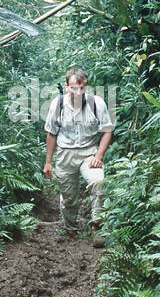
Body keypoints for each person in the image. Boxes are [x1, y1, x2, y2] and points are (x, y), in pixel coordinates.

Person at [43, 68, 114, 246]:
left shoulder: (96, 103)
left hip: (88, 152)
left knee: (99, 183)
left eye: (82, 88)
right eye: (74, 88)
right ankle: (70, 229)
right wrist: (48, 162)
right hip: (65, 153)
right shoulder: (57, 105)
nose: (78, 92)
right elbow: (51, 134)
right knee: (69, 198)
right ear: (67, 87)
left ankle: (98, 227)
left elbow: (107, 131)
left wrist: (99, 155)